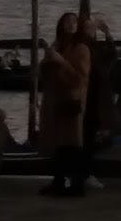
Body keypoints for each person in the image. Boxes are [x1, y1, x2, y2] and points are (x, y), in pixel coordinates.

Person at [37, 12, 90, 197]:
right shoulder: (57, 45)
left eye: (74, 22)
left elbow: (80, 78)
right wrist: (47, 59)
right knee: (59, 143)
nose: (71, 24)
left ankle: (77, 185)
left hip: (72, 100)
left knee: (73, 144)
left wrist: (61, 61)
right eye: (67, 21)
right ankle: (58, 181)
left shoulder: (81, 48)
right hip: (55, 99)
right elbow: (44, 72)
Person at [79, 13, 118, 190]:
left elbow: (111, 55)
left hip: (99, 97)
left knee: (92, 136)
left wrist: (107, 33)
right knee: (86, 136)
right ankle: (84, 172)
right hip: (89, 97)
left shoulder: (94, 46)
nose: (91, 30)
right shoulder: (83, 46)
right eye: (88, 28)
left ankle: (86, 171)